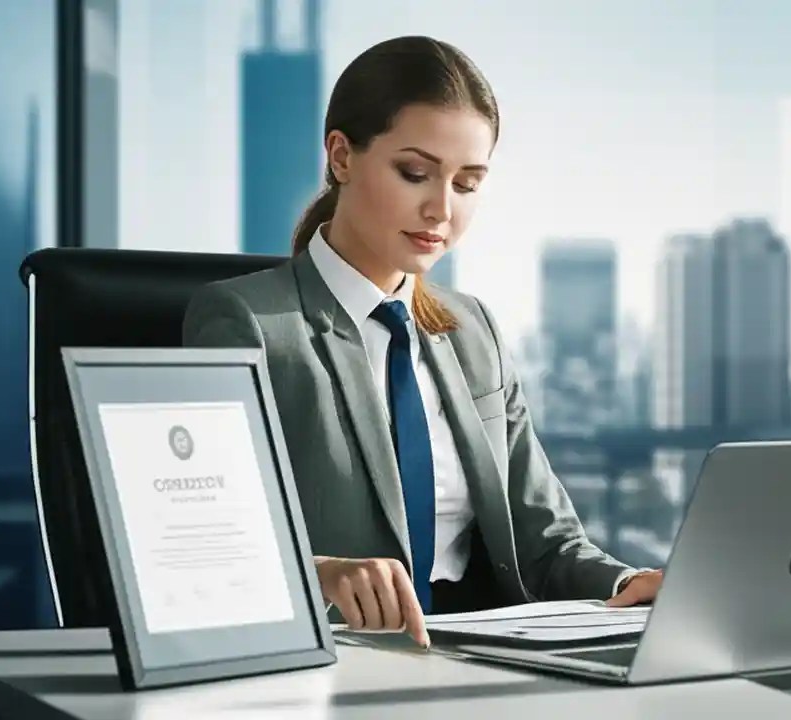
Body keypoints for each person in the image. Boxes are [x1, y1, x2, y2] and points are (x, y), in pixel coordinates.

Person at [182, 36, 662, 648]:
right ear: (341, 156)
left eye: (467, 184)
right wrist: (319, 573)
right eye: (415, 173)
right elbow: (204, 544)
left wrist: (629, 581)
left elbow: (545, 543)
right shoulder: (249, 322)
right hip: (335, 660)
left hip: (490, 655)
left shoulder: (474, 332)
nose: (441, 208)